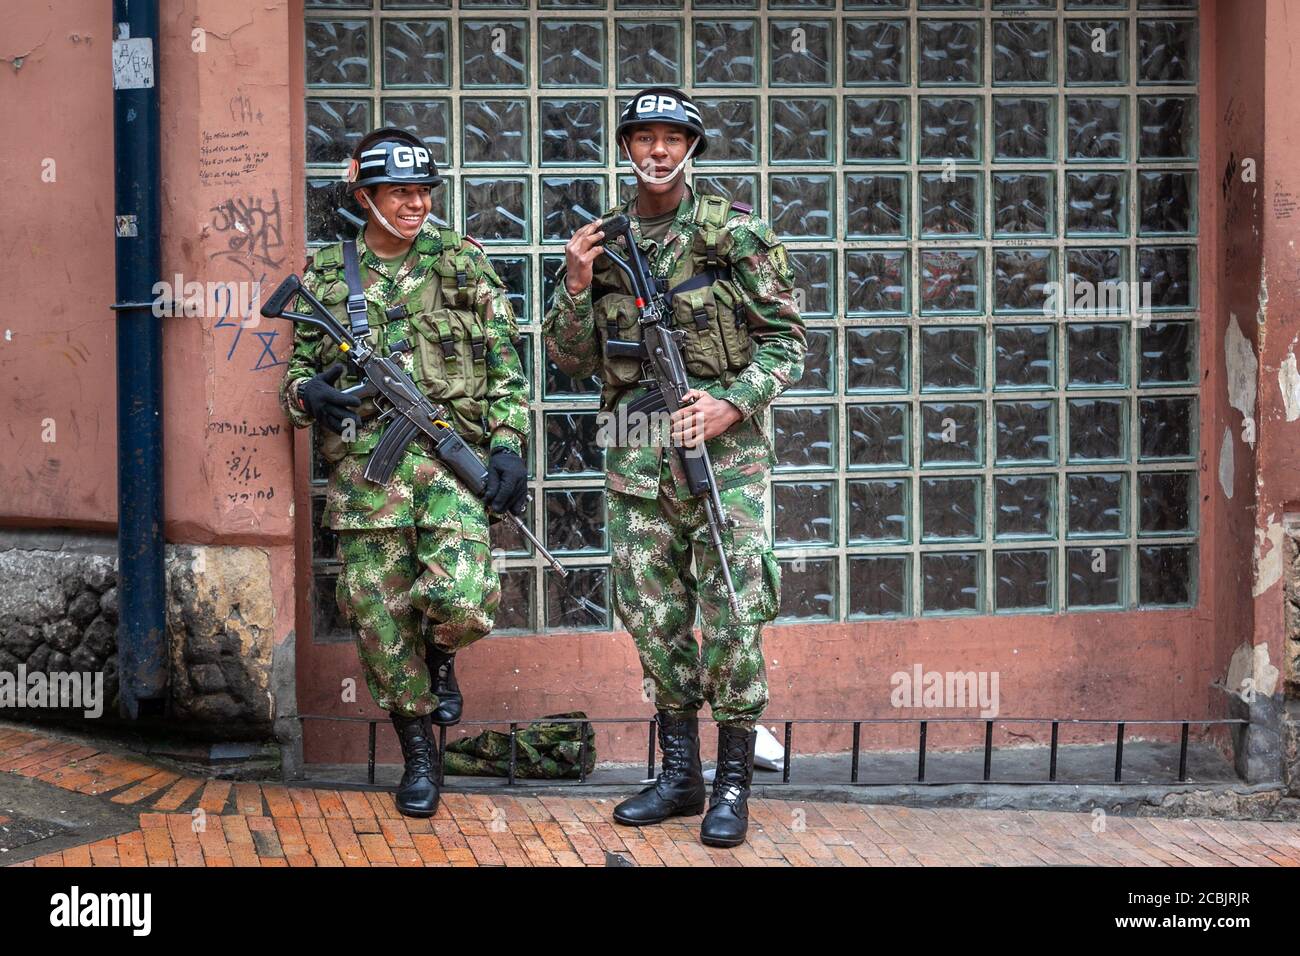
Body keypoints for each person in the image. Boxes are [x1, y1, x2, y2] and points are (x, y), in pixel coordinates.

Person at [542, 88, 806, 847]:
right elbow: (571, 356)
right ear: (625, 148)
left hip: (726, 456)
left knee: (731, 615)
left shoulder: (736, 233)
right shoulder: (605, 240)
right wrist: (575, 283)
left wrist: (732, 401)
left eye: (670, 138)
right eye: (642, 138)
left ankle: (732, 785)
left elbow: (789, 342)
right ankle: (679, 776)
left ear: (693, 148)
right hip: (633, 445)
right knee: (654, 619)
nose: (656, 151)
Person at [279, 127, 530, 817]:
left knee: (464, 599)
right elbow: (297, 378)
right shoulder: (331, 275)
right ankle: (420, 757)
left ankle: (443, 656)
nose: (417, 204)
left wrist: (509, 445)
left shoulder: (461, 264)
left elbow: (505, 365)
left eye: (424, 191)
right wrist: (310, 395)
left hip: (451, 468)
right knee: (378, 627)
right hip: (367, 483)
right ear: (366, 197)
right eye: (401, 192)